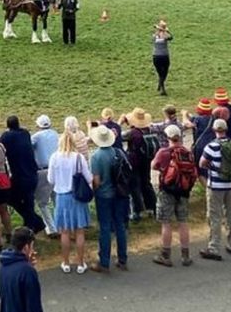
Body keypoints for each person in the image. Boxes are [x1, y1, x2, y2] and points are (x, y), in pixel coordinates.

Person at [47, 130, 92, 274]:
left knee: (64, 232)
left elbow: (50, 179)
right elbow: (89, 178)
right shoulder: (78, 158)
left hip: (61, 197)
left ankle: (66, 262)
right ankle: (80, 263)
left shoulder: (54, 157)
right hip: (77, 197)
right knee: (79, 232)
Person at [152, 125, 194, 267]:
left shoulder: (163, 152)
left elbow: (154, 165)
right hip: (183, 190)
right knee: (183, 222)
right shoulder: (187, 152)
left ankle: (166, 254)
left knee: (166, 222)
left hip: (167, 190)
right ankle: (185, 255)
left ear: (167, 137)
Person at [198, 119, 231, 261]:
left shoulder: (211, 146)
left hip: (215, 186)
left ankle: (214, 247)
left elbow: (202, 163)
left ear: (214, 130)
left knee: (215, 217)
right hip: (230, 185)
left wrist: (214, 168)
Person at [89, 125, 128, 273]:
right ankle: (122, 259)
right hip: (119, 194)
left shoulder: (96, 157)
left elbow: (97, 181)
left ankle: (104, 261)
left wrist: (93, 189)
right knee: (120, 225)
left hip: (104, 195)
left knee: (105, 227)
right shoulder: (117, 152)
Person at [0, 116, 46, 234]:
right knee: (29, 201)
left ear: (8, 126)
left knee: (11, 198)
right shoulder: (25, 133)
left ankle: (33, 224)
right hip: (32, 173)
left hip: (20, 176)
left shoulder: (6, 137)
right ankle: (32, 225)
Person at [0, 227, 44, 312]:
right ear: (26, 247)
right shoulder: (27, 272)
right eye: (32, 246)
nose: (33, 250)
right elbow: (33, 307)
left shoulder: (3, 264)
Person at [124, 108, 158, 222]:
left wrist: (121, 123)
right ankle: (152, 207)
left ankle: (137, 211)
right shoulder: (149, 130)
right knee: (146, 183)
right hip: (146, 160)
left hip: (134, 163)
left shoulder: (132, 133)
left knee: (135, 186)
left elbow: (118, 135)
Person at [30, 115, 59, 237]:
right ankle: (61, 224)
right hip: (57, 169)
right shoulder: (55, 134)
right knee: (56, 198)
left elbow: (29, 146)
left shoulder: (36, 137)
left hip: (43, 170)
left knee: (42, 202)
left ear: (38, 126)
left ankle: (52, 228)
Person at [152, 20, 173, 96]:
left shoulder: (161, 35)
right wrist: (166, 31)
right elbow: (169, 37)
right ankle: (162, 89)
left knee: (164, 72)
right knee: (162, 73)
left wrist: (165, 31)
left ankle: (160, 84)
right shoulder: (156, 36)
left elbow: (170, 38)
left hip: (162, 56)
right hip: (159, 56)